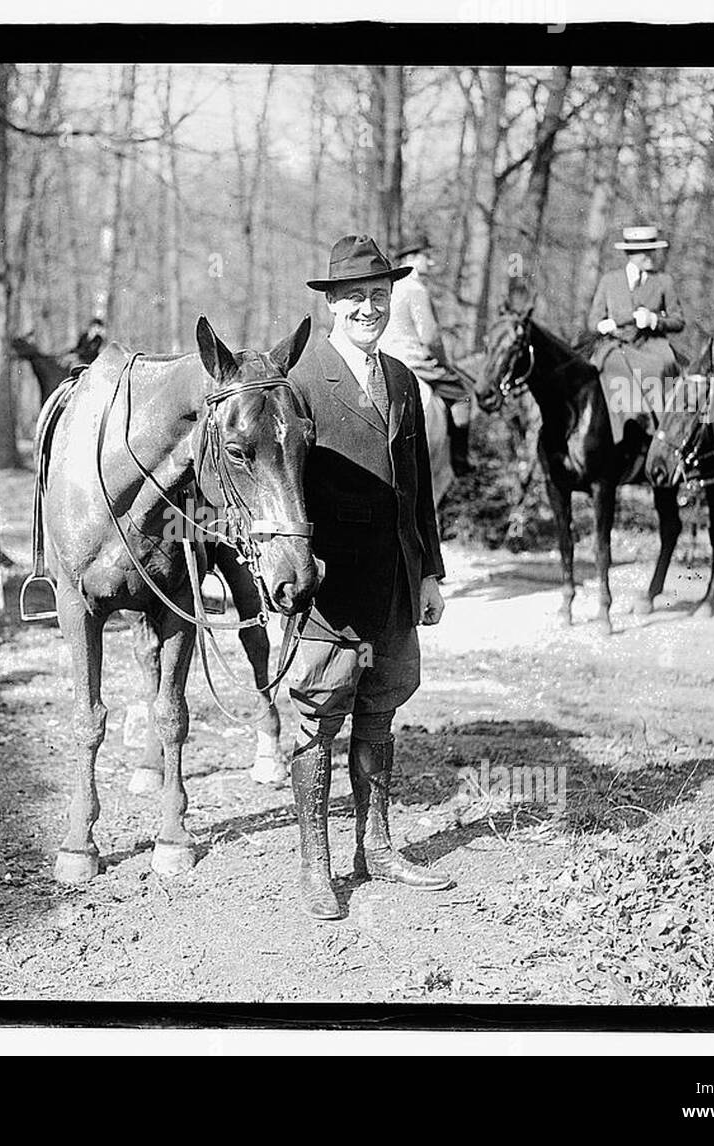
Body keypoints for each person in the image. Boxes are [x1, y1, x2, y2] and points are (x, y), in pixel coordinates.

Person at [286, 234, 455, 922]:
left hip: (395, 579)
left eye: (379, 296)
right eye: (354, 296)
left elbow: (415, 490)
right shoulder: (298, 382)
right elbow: (276, 488)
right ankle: (313, 864)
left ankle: (376, 847)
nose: (368, 308)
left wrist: (431, 574)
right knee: (317, 717)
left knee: (381, 706)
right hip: (330, 588)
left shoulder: (404, 379)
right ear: (330, 304)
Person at [379, 238, 473, 477]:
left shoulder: (389, 288)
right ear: (410, 259)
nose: (430, 262)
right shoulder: (416, 289)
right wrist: (443, 361)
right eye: (424, 256)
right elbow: (430, 336)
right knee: (462, 395)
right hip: (413, 361)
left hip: (383, 359)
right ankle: (460, 460)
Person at [586, 224, 685, 444]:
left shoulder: (663, 281)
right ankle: (610, 431)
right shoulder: (609, 281)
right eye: (645, 252)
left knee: (661, 369)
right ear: (630, 254)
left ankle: (659, 434)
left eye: (652, 250)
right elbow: (593, 321)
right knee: (600, 369)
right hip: (616, 344)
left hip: (652, 344)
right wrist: (604, 326)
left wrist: (654, 320)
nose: (651, 256)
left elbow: (679, 321)